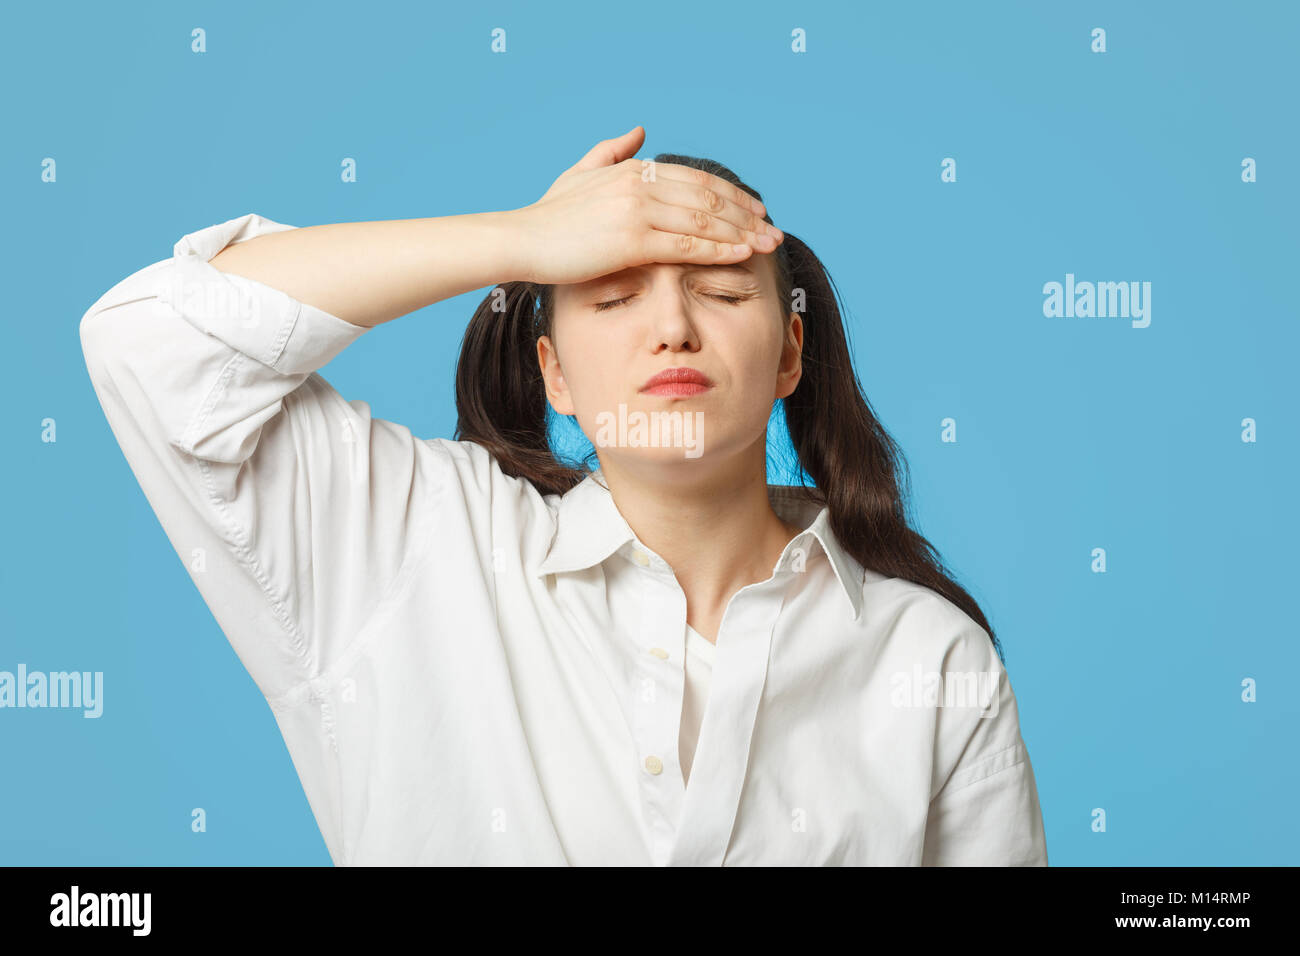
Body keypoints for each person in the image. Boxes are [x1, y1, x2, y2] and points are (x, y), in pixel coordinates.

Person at [79, 126, 1048, 866]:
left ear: (790, 350)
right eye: (613, 293)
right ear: (555, 375)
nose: (671, 324)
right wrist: (520, 238)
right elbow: (149, 342)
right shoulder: (414, 548)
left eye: (718, 288)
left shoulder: (931, 661)